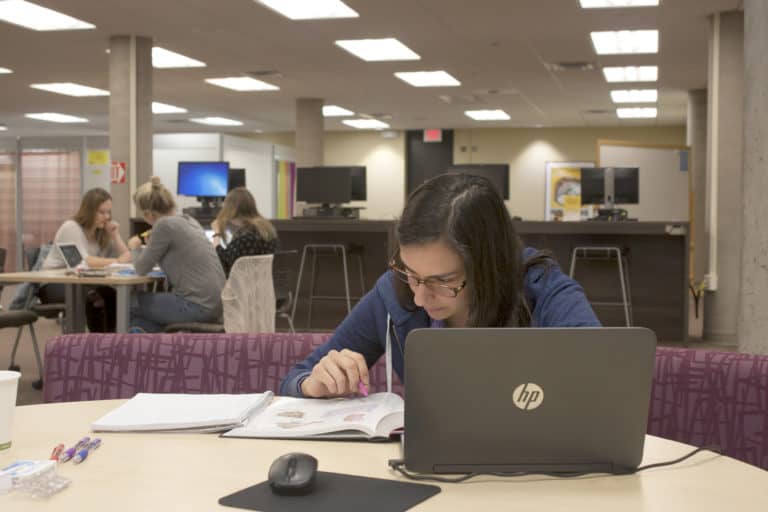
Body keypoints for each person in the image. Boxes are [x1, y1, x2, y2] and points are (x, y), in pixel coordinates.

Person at [279, 173, 600, 398]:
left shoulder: (542, 289)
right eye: (411, 273)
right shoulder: (393, 291)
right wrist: (314, 384)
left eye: (443, 281)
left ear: (488, 265)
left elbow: (605, 382)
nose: (419, 297)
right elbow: (295, 378)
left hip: (534, 474)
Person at [127, 177, 226, 332]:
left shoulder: (163, 224)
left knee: (129, 303)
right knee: (141, 319)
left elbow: (140, 268)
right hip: (217, 306)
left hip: (197, 306)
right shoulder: (189, 220)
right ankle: (160, 343)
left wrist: (135, 247)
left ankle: (121, 350)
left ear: (149, 215)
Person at [42, 187, 131, 332]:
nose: (107, 217)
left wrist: (116, 235)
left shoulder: (100, 233)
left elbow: (127, 257)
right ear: (89, 211)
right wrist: (117, 261)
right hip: (54, 285)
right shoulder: (71, 227)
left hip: (82, 283)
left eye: (109, 212)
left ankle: (110, 345)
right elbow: (85, 261)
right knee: (95, 299)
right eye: (102, 212)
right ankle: (93, 347)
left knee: (112, 295)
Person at [211, 187, 278, 277]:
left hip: (239, 289)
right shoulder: (267, 230)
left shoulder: (243, 238)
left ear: (230, 210)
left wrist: (217, 233)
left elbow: (221, 264)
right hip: (264, 288)